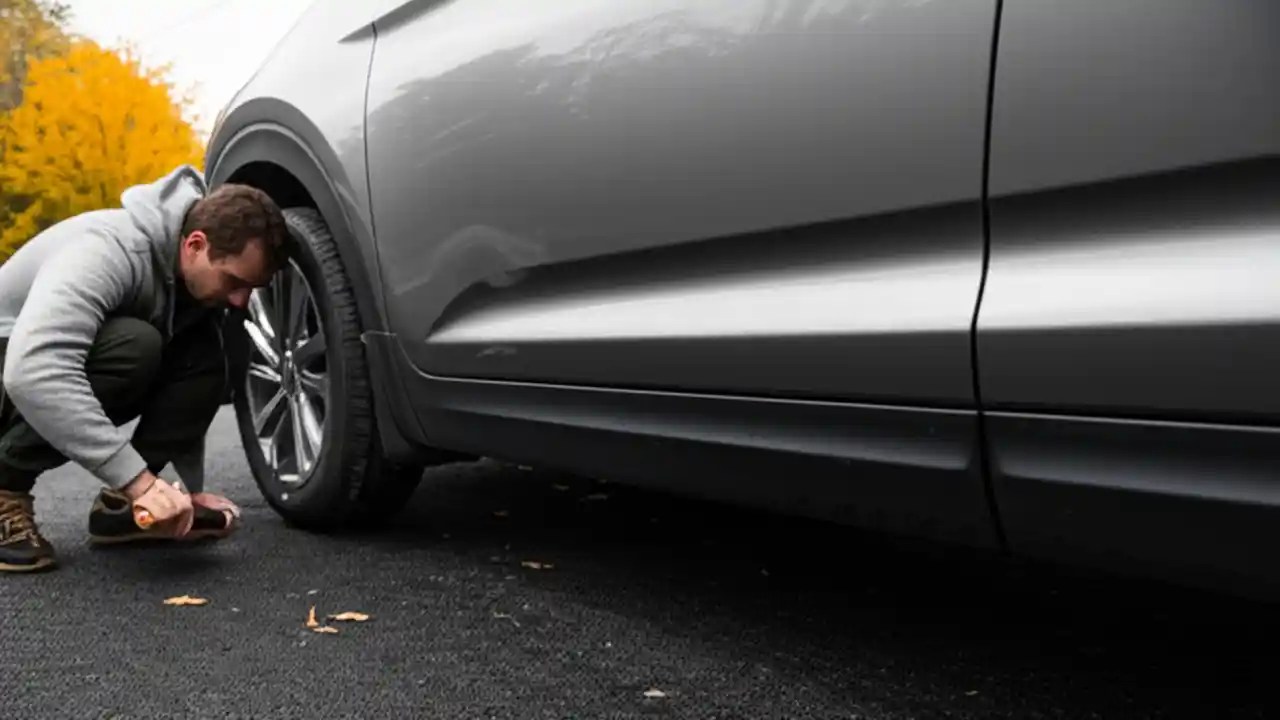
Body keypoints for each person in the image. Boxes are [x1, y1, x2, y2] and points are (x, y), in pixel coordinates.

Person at [0, 165, 289, 572]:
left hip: (28, 368)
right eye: (234, 281)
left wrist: (186, 493)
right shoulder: (109, 249)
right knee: (135, 348)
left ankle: (123, 512)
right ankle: (4, 489)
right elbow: (32, 371)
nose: (241, 300)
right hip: (12, 361)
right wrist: (138, 480)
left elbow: (193, 376)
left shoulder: (186, 278)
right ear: (195, 244)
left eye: (250, 289)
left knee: (206, 353)